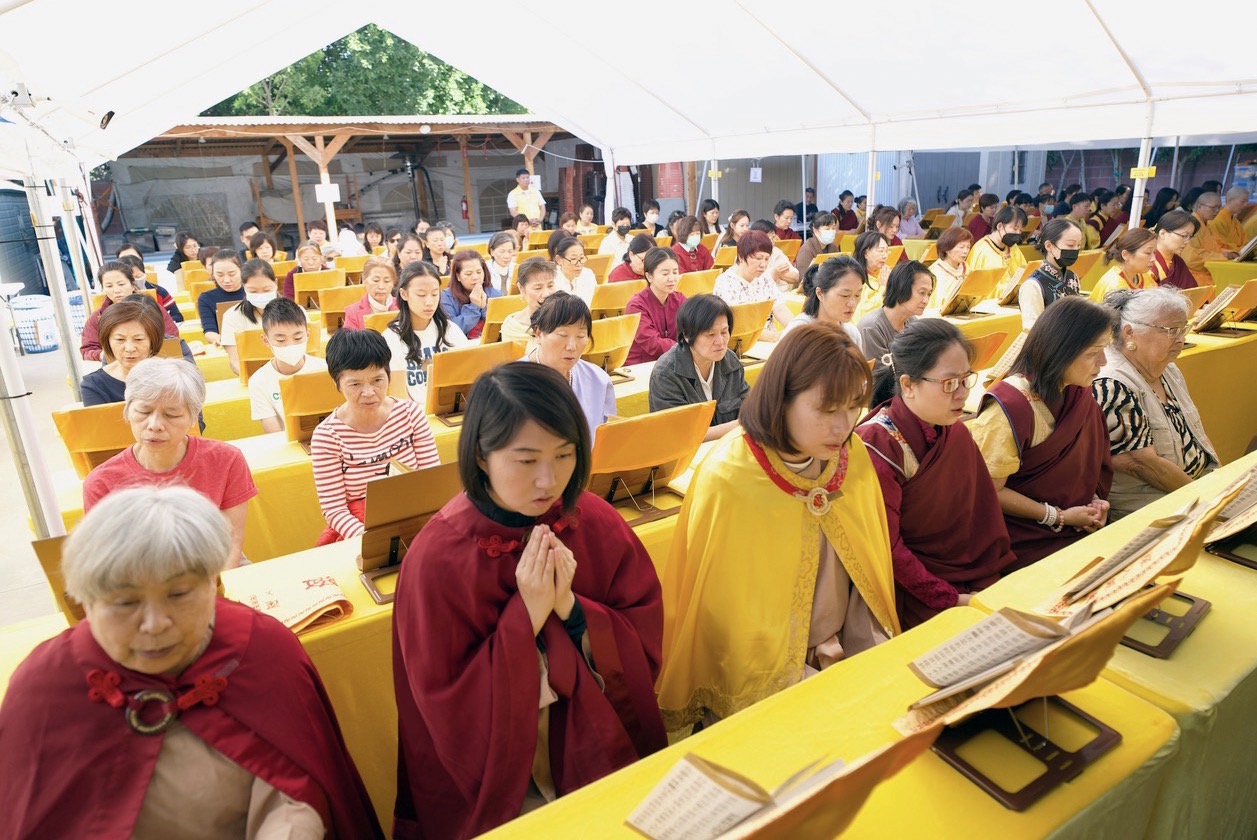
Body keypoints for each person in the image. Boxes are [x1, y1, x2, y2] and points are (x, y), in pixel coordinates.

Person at [0, 486, 383, 839]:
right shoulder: (44, 688)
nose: (155, 624)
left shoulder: (261, 648)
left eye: (180, 593)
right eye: (124, 603)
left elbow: (299, 788)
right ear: (84, 602)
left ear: (214, 584)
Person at [392, 362, 665, 838]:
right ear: (481, 455)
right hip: (508, 783)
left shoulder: (594, 520)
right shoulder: (438, 557)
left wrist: (572, 611)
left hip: (602, 747)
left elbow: (642, 629)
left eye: (564, 455)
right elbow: (442, 700)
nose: (549, 480)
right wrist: (527, 616)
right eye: (525, 460)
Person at [656, 322, 898, 731]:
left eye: (853, 407)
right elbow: (726, 616)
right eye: (827, 409)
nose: (844, 427)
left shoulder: (849, 455)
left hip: (844, 646)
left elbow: (865, 576)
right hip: (760, 668)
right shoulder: (730, 475)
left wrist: (868, 653)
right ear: (782, 398)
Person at [857, 320, 1015, 628]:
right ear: (908, 385)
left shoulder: (953, 430)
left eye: (966, 379)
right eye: (949, 383)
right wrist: (953, 598)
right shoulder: (877, 445)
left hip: (974, 575)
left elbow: (979, 517)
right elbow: (886, 550)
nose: (961, 394)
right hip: (914, 592)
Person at [966, 297, 1114, 570]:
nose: (1103, 363)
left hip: (1077, 524)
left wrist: (1094, 504)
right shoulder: (1011, 406)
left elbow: (1087, 466)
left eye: (1104, 350)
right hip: (1022, 539)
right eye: (1093, 353)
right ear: (1061, 351)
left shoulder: (1078, 392)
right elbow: (989, 491)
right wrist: (1058, 517)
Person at [83, 358, 256, 568]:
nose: (155, 425)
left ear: (193, 418)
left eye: (171, 415)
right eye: (144, 412)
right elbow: (109, 562)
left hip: (215, 563)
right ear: (127, 411)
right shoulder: (101, 482)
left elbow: (231, 541)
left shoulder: (226, 459)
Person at [1093, 288, 1218, 518]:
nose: (1181, 339)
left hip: (1192, 492)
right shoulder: (1110, 383)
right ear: (1129, 333)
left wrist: (1219, 478)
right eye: (1171, 331)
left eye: (1183, 329)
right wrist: (1207, 500)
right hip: (1154, 507)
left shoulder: (1168, 368)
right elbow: (1142, 465)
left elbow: (1195, 430)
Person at [311, 329, 440, 544]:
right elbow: (334, 510)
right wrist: (372, 540)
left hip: (415, 517)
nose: (369, 392)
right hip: (359, 530)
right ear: (337, 383)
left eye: (378, 380)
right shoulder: (327, 436)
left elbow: (431, 481)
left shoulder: (411, 414)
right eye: (355, 384)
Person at [648, 294, 749, 442]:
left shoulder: (730, 360)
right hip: (685, 460)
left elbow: (750, 407)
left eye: (724, 332)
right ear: (687, 335)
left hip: (725, 451)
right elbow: (681, 435)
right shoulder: (666, 373)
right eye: (710, 335)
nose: (720, 342)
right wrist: (741, 425)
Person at [527, 293, 615, 440]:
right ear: (539, 334)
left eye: (580, 336)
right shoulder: (511, 383)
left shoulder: (598, 379)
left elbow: (609, 442)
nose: (572, 347)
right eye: (562, 335)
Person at [383, 261, 470, 405]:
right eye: (421, 295)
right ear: (404, 294)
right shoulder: (391, 339)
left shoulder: (451, 330)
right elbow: (396, 396)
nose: (429, 302)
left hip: (452, 410)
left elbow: (468, 375)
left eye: (435, 294)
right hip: (413, 416)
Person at [247, 297, 327, 434]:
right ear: (266, 340)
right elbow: (274, 433)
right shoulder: (258, 381)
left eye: (298, 338)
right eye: (281, 340)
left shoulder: (325, 369)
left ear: (308, 334)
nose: (290, 344)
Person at [81, 261, 178, 362]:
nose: (116, 290)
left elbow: (172, 337)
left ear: (132, 284)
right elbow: (88, 349)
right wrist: (102, 355)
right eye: (109, 286)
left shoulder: (153, 309)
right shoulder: (98, 317)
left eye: (121, 284)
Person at [712, 230, 794, 338]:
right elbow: (740, 326)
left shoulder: (765, 278)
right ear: (741, 257)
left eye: (767, 259)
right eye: (758, 258)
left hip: (770, 340)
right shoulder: (726, 282)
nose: (763, 265)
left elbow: (779, 308)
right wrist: (777, 337)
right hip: (742, 344)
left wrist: (796, 330)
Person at [81, 300, 163, 406]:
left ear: (153, 341)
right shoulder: (94, 385)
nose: (129, 348)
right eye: (120, 339)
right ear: (107, 341)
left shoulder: (173, 377)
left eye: (138, 339)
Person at [858, 260, 932, 377]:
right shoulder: (872, 327)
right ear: (901, 288)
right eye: (922, 293)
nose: (926, 300)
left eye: (929, 294)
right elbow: (881, 380)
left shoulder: (912, 322)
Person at [219, 259, 288, 376]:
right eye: (253, 291)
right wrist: (255, 382)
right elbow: (235, 361)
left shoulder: (295, 311)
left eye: (267, 290)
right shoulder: (232, 316)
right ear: (244, 287)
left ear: (275, 283)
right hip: (253, 379)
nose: (261, 295)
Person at [786, 254, 865, 352]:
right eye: (845, 295)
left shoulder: (852, 333)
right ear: (820, 293)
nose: (852, 303)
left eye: (857, 295)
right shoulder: (800, 332)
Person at [1018, 218, 1084, 329]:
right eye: (1070, 245)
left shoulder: (1072, 277)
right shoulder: (1033, 286)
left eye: (1078, 245)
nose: (1075, 250)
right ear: (1049, 246)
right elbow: (1032, 331)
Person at [625, 247, 687, 364]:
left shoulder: (680, 299)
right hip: (641, 365)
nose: (672, 278)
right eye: (665, 273)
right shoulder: (636, 305)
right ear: (649, 277)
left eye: (675, 272)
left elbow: (694, 328)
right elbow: (652, 343)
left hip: (674, 361)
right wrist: (686, 349)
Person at [1181, 191, 1237, 285]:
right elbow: (1191, 259)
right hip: (1194, 275)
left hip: (1209, 269)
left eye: (1219, 208)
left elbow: (1214, 248)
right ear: (1199, 206)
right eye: (1213, 207)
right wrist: (1223, 257)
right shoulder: (1192, 225)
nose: (1217, 211)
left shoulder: (1205, 224)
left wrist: (1229, 253)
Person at [442, 250, 502, 338]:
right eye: (468, 274)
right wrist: (474, 306)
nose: (475, 277)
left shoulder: (495, 294)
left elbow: (500, 327)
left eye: (479, 272)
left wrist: (484, 307)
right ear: (458, 276)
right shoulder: (446, 297)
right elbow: (452, 331)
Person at [966, 206, 1028, 289]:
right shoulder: (982, 250)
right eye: (1015, 228)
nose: (1018, 233)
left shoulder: (1013, 248)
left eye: (1020, 230)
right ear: (1000, 226)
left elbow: (1024, 274)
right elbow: (979, 288)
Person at [501, 258, 558, 347]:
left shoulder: (565, 317)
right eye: (538, 288)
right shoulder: (513, 326)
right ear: (521, 289)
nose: (547, 294)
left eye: (550, 286)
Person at [1090, 227, 1157, 301]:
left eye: (1154, 253)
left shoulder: (1143, 276)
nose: (1154, 259)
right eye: (1148, 253)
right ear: (1126, 255)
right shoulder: (1114, 285)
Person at [196, 250, 246, 345]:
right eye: (220, 275)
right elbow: (209, 330)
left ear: (241, 271)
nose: (226, 280)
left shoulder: (253, 292)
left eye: (232, 274)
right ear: (213, 274)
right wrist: (218, 339)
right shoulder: (206, 299)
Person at [118, 254, 182, 324]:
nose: (135, 282)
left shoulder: (159, 292)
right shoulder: (117, 296)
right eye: (131, 279)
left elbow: (177, 316)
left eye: (138, 276)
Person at [1150, 209, 1201, 290]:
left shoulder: (1178, 262)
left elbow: (1191, 291)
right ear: (1163, 233)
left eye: (1190, 237)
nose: (1187, 241)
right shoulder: (1147, 261)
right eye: (1184, 236)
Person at [343, 256, 399, 331]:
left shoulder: (403, 306)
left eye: (387, 281)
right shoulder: (353, 313)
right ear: (364, 279)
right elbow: (350, 342)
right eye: (376, 280)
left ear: (393, 282)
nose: (381, 287)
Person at [926, 227, 972, 313]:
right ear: (947, 248)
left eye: (968, 247)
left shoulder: (966, 267)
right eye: (961, 247)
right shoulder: (934, 273)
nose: (965, 251)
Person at [748, 219, 801, 290]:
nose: (772, 241)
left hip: (784, 293)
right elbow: (757, 284)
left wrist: (778, 273)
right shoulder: (750, 256)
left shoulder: (776, 251)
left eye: (773, 237)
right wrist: (775, 273)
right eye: (768, 237)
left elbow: (796, 277)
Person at [852, 230, 891, 317]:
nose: (885, 256)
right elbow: (862, 312)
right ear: (866, 253)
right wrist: (883, 288)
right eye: (881, 251)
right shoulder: (855, 278)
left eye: (886, 251)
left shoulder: (882, 273)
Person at [553, 236, 597, 303]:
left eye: (582, 258)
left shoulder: (588, 274)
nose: (579, 264)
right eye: (573, 259)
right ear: (559, 260)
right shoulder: (552, 279)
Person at [1210, 186, 1251, 250]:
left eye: (1246, 202)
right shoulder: (1217, 219)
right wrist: (1241, 249)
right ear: (1230, 200)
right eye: (1243, 201)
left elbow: (1245, 243)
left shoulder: (1235, 221)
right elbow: (1220, 245)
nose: (1245, 205)